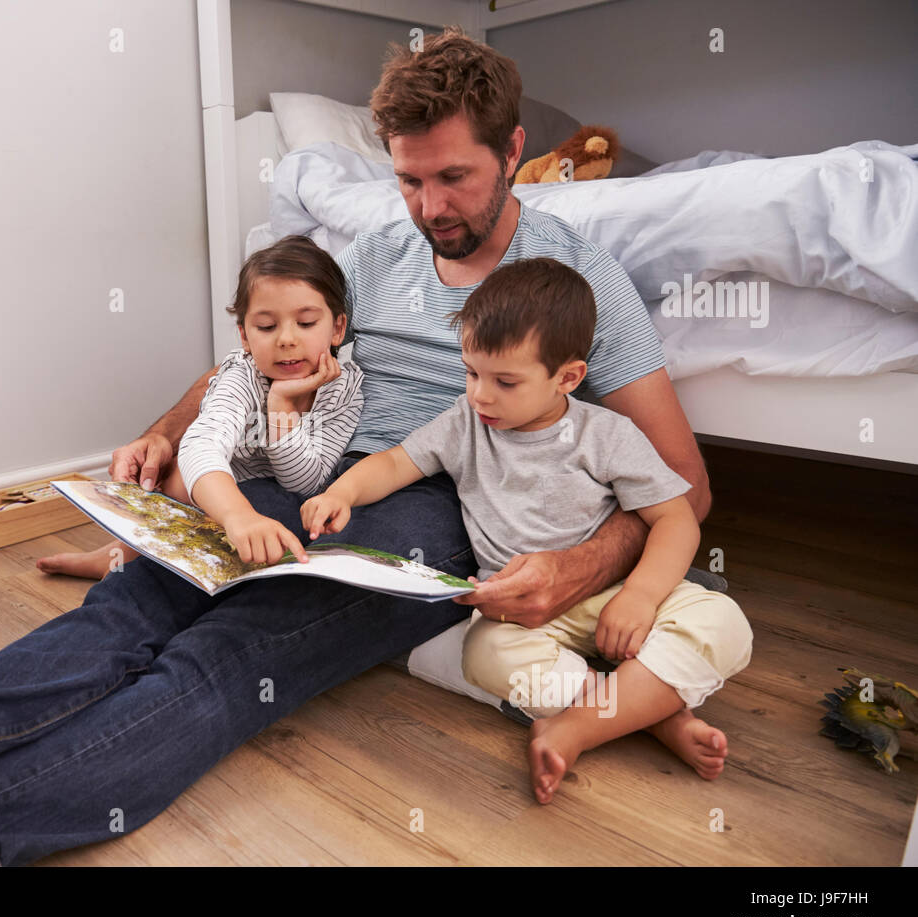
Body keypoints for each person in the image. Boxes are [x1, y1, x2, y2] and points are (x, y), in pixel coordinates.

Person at [0, 27, 719, 866]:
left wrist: (574, 568)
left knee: (227, 654)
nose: (428, 206)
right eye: (407, 179)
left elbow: (683, 484)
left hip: (435, 506)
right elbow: (268, 360)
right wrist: (162, 432)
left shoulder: (578, 282)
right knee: (130, 607)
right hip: (310, 467)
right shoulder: (379, 248)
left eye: (454, 179)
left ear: (514, 152)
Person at [300, 257, 753, 804]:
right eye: (471, 373)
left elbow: (676, 518)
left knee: (724, 623)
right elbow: (397, 462)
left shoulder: (605, 434)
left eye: (504, 381)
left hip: (611, 593)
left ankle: (574, 729)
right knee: (484, 656)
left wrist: (639, 595)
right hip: (521, 616)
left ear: (568, 377)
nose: (480, 395)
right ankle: (655, 717)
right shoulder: (465, 423)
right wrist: (341, 491)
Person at [38, 236, 363, 578]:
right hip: (217, 486)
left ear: (337, 328)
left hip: (271, 489)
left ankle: (121, 555)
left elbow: (307, 482)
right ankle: (123, 552)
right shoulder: (241, 375)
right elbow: (201, 446)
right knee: (179, 474)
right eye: (266, 327)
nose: (286, 339)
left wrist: (280, 404)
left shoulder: (345, 388)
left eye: (306, 323)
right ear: (245, 337)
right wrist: (237, 513)